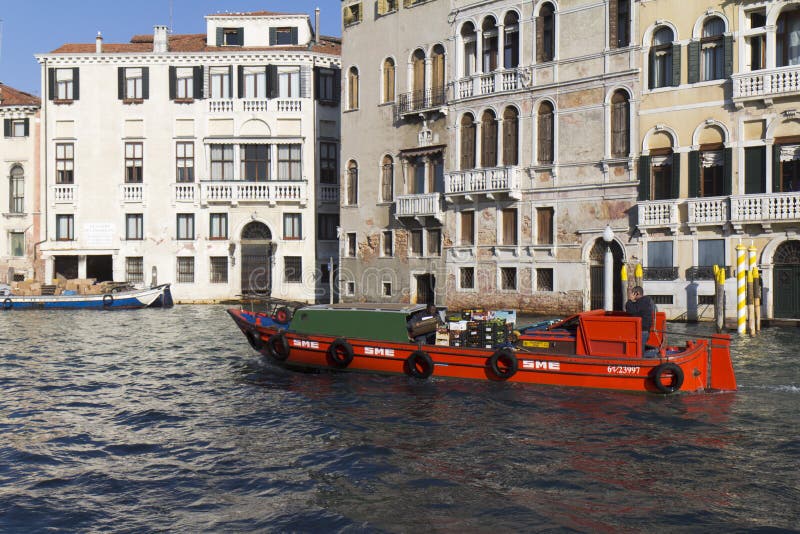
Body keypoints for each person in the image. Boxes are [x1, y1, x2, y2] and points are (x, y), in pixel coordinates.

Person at [625, 285, 654, 355]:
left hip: (642, 331)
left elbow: (630, 310)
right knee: (640, 349)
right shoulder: (644, 301)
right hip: (644, 330)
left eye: (632, 293)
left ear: (637, 293)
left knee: (639, 351)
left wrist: (629, 300)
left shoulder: (642, 302)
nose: (631, 295)